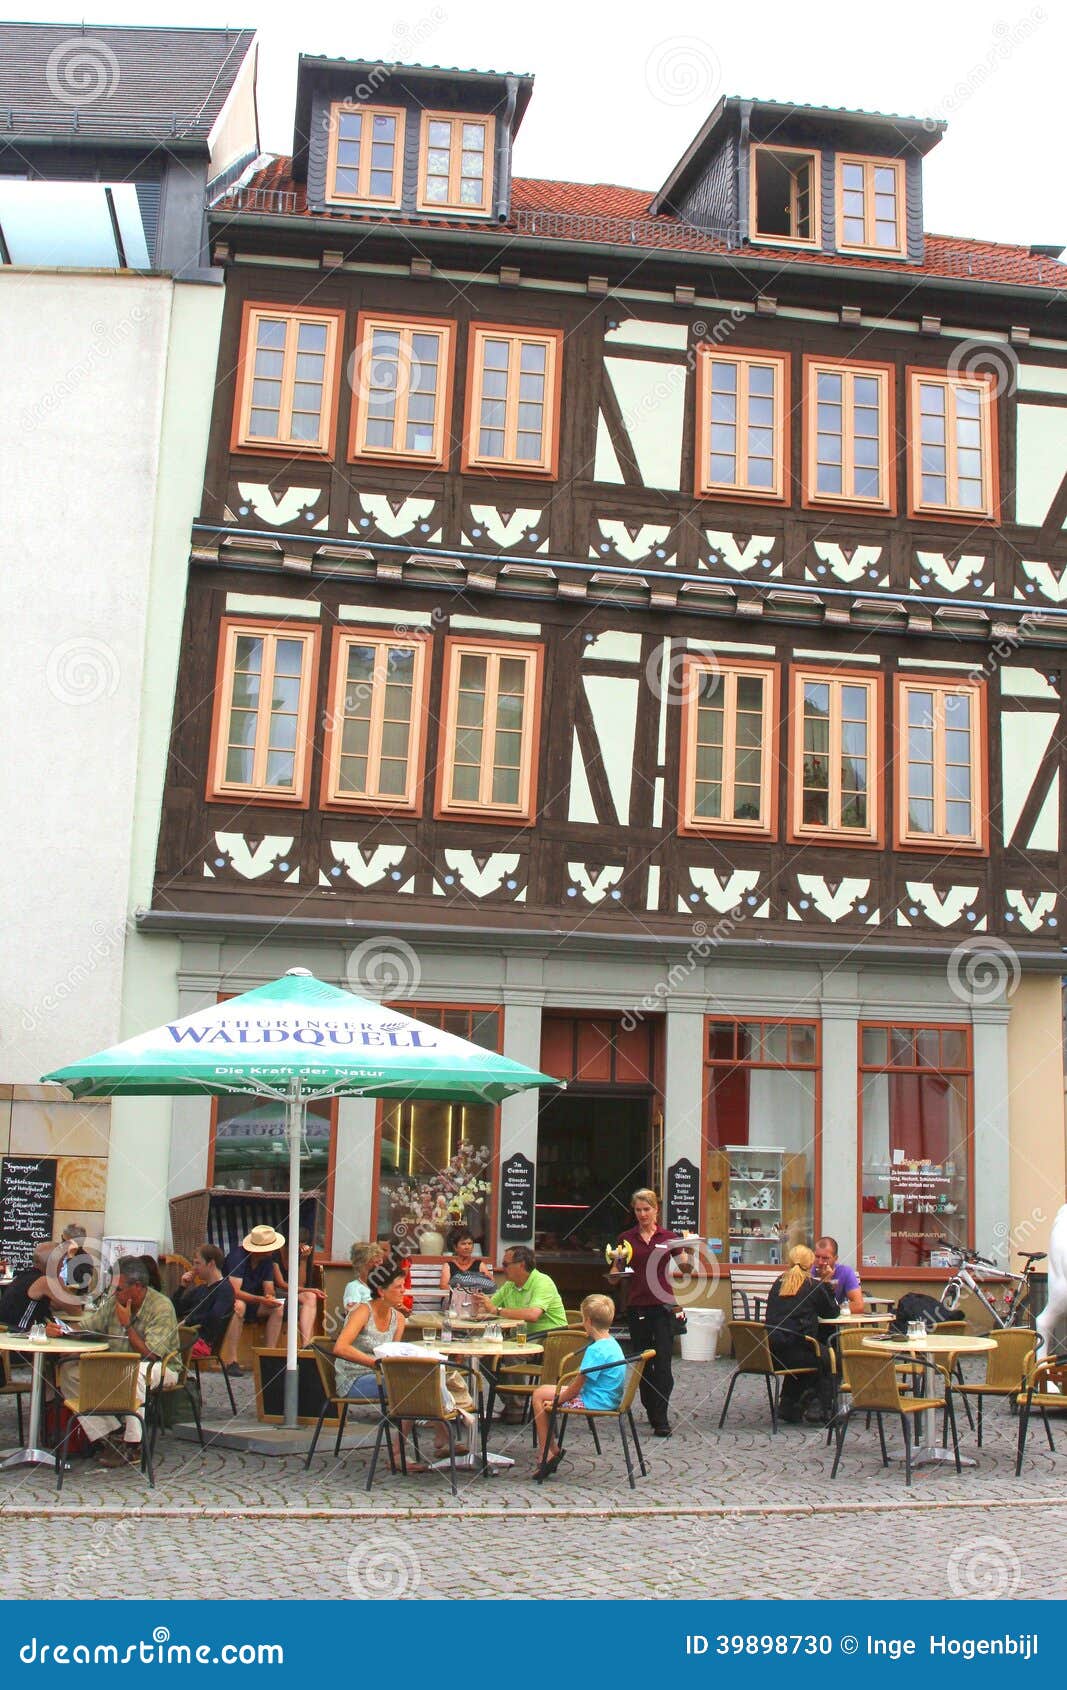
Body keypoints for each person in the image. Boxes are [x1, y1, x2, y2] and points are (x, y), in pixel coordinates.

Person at [332, 1262, 475, 1468]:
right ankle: (404, 1452)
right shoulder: (362, 1312)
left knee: (421, 1380)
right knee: (408, 1387)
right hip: (354, 1377)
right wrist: (376, 1364)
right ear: (381, 1291)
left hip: (384, 1375)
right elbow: (341, 1347)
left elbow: (394, 1351)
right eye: (398, 1287)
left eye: (403, 1286)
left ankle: (440, 1437)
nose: (403, 1291)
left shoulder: (398, 1318)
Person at [51, 1257, 179, 1467]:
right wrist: (62, 1331)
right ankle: (111, 1432)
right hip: (116, 1365)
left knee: (136, 1372)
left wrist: (127, 1325)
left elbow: (152, 1355)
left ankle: (133, 1444)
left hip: (160, 1368)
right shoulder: (114, 1302)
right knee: (70, 1369)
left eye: (118, 1289)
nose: (114, 1293)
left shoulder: (161, 1307)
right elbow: (87, 1326)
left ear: (137, 1287)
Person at [610, 1187, 693, 1438]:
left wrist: (687, 1247)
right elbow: (614, 1279)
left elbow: (686, 1269)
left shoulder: (668, 1236)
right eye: (638, 1210)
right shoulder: (626, 1238)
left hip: (664, 1305)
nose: (642, 1214)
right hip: (637, 1306)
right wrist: (617, 1260)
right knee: (644, 1362)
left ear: (656, 1210)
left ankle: (662, 1417)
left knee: (664, 1363)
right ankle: (651, 1406)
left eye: (647, 1209)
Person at [531, 1293, 626, 1478]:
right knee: (542, 1393)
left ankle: (546, 1453)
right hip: (605, 1397)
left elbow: (576, 1387)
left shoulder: (596, 1350)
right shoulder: (612, 1343)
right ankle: (552, 1450)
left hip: (594, 1401)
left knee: (540, 1397)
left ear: (588, 1321)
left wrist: (557, 1402)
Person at [765, 1244, 839, 1424]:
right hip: (796, 1353)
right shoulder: (811, 1285)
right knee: (831, 1357)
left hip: (771, 1354)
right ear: (811, 1262)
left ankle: (788, 1404)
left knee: (810, 1350)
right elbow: (832, 1312)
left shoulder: (778, 1283)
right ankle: (820, 1407)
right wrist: (826, 1283)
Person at [220, 1224, 285, 1377]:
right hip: (229, 1301)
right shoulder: (238, 1257)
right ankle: (231, 1361)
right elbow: (234, 1292)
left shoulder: (267, 1261)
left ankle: (269, 1358)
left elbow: (269, 1287)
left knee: (278, 1308)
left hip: (254, 1302)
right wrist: (261, 1299)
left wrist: (269, 1297)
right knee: (239, 1306)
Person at [473, 1245, 566, 1337]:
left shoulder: (543, 1282)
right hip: (521, 1339)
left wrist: (497, 1311)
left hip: (549, 1339)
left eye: (505, 1265)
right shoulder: (510, 1285)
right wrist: (476, 1306)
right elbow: (489, 1309)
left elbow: (533, 1315)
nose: (502, 1269)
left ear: (521, 1265)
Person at [0, 1241, 83, 1330]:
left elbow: (55, 1305)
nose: (62, 1265)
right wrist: (59, 1280)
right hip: (19, 1333)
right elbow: (76, 1310)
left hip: (7, 1330)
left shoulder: (24, 1276)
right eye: (61, 1261)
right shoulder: (45, 1281)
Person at [171, 1244, 236, 1351]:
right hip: (189, 1339)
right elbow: (174, 1310)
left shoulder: (225, 1289)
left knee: (161, 1348)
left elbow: (214, 1317)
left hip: (204, 1343)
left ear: (211, 1264)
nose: (194, 1268)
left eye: (197, 1263)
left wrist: (187, 1322)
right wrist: (182, 1287)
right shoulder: (201, 1289)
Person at [273, 1229, 324, 1348]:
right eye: (297, 1244)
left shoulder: (299, 1255)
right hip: (277, 1291)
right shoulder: (276, 1254)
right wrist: (310, 1290)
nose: (299, 1247)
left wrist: (303, 1260)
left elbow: (300, 1284)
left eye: (302, 1244)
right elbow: (281, 1283)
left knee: (310, 1297)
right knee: (310, 1294)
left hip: (292, 1292)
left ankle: (307, 1345)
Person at [812, 1236, 865, 1313]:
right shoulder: (807, 1271)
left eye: (825, 1258)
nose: (820, 1262)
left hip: (834, 1321)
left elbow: (859, 1306)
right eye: (817, 1257)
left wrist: (832, 1310)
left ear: (835, 1258)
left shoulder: (845, 1272)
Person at [445, 1228, 495, 1297]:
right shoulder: (448, 1266)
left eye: (470, 1243)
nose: (467, 1247)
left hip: (476, 1301)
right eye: (463, 1244)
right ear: (455, 1247)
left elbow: (491, 1284)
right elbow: (444, 1286)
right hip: (455, 1301)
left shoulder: (480, 1265)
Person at [343, 1242, 388, 1310]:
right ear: (361, 1265)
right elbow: (353, 1313)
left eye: (380, 1262)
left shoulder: (384, 1285)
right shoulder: (353, 1287)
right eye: (376, 1262)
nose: (379, 1266)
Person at [57, 1224, 93, 1294]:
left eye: (64, 1240)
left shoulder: (85, 1259)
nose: (61, 1243)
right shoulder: (57, 1253)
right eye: (62, 1238)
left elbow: (76, 1282)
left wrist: (71, 1257)